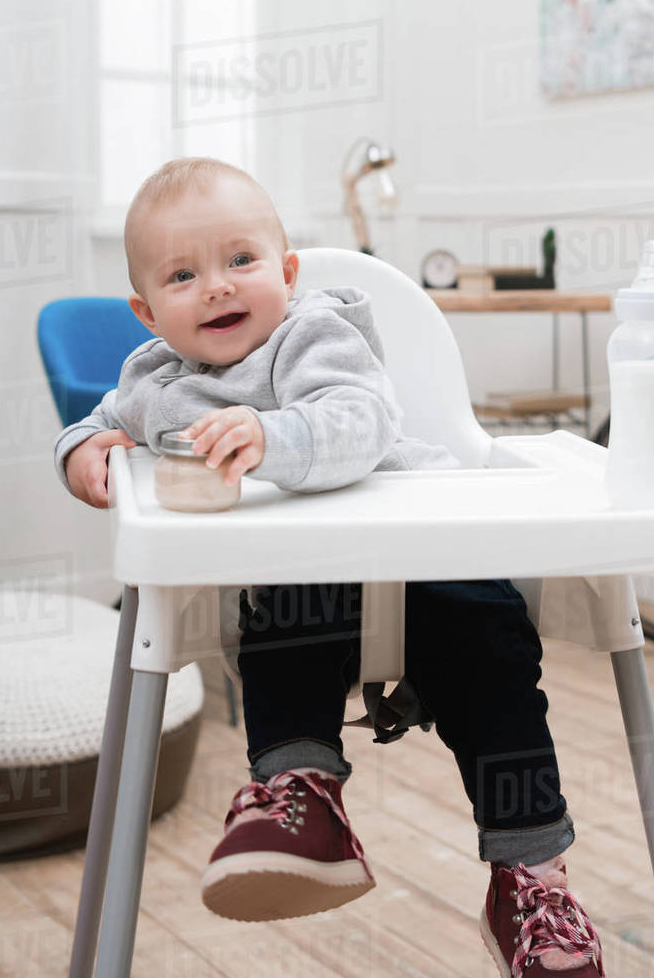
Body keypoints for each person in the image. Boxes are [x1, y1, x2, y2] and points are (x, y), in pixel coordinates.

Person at [55, 157, 605, 976]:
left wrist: (274, 438)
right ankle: (301, 799)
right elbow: (93, 421)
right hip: (303, 585)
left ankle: (529, 878)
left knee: (490, 648)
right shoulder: (152, 380)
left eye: (239, 261)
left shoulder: (312, 335)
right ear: (147, 312)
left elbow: (363, 419)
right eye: (182, 274)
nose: (216, 286)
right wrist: (85, 449)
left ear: (284, 272)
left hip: (426, 559)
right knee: (289, 584)